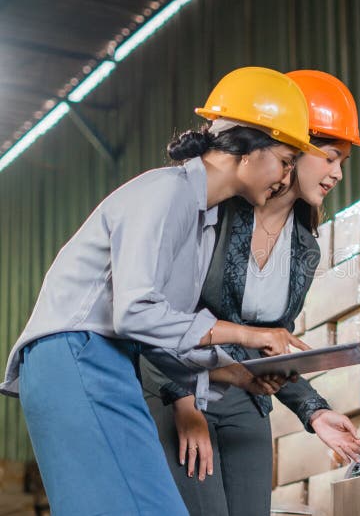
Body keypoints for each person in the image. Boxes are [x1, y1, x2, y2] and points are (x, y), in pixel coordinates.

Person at [0, 66, 323, 515]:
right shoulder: (165, 192)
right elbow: (135, 312)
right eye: (286, 161)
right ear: (249, 150)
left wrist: (237, 375)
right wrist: (248, 334)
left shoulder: (202, 223)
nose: (286, 179)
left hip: (109, 360)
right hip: (75, 354)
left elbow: (165, 333)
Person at [141, 70, 360, 515]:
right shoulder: (219, 209)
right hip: (178, 389)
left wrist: (314, 411)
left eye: (343, 162)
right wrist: (184, 404)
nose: (337, 174)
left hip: (245, 399)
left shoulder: (305, 248)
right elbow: (161, 313)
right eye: (330, 157)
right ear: (292, 145)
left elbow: (272, 346)